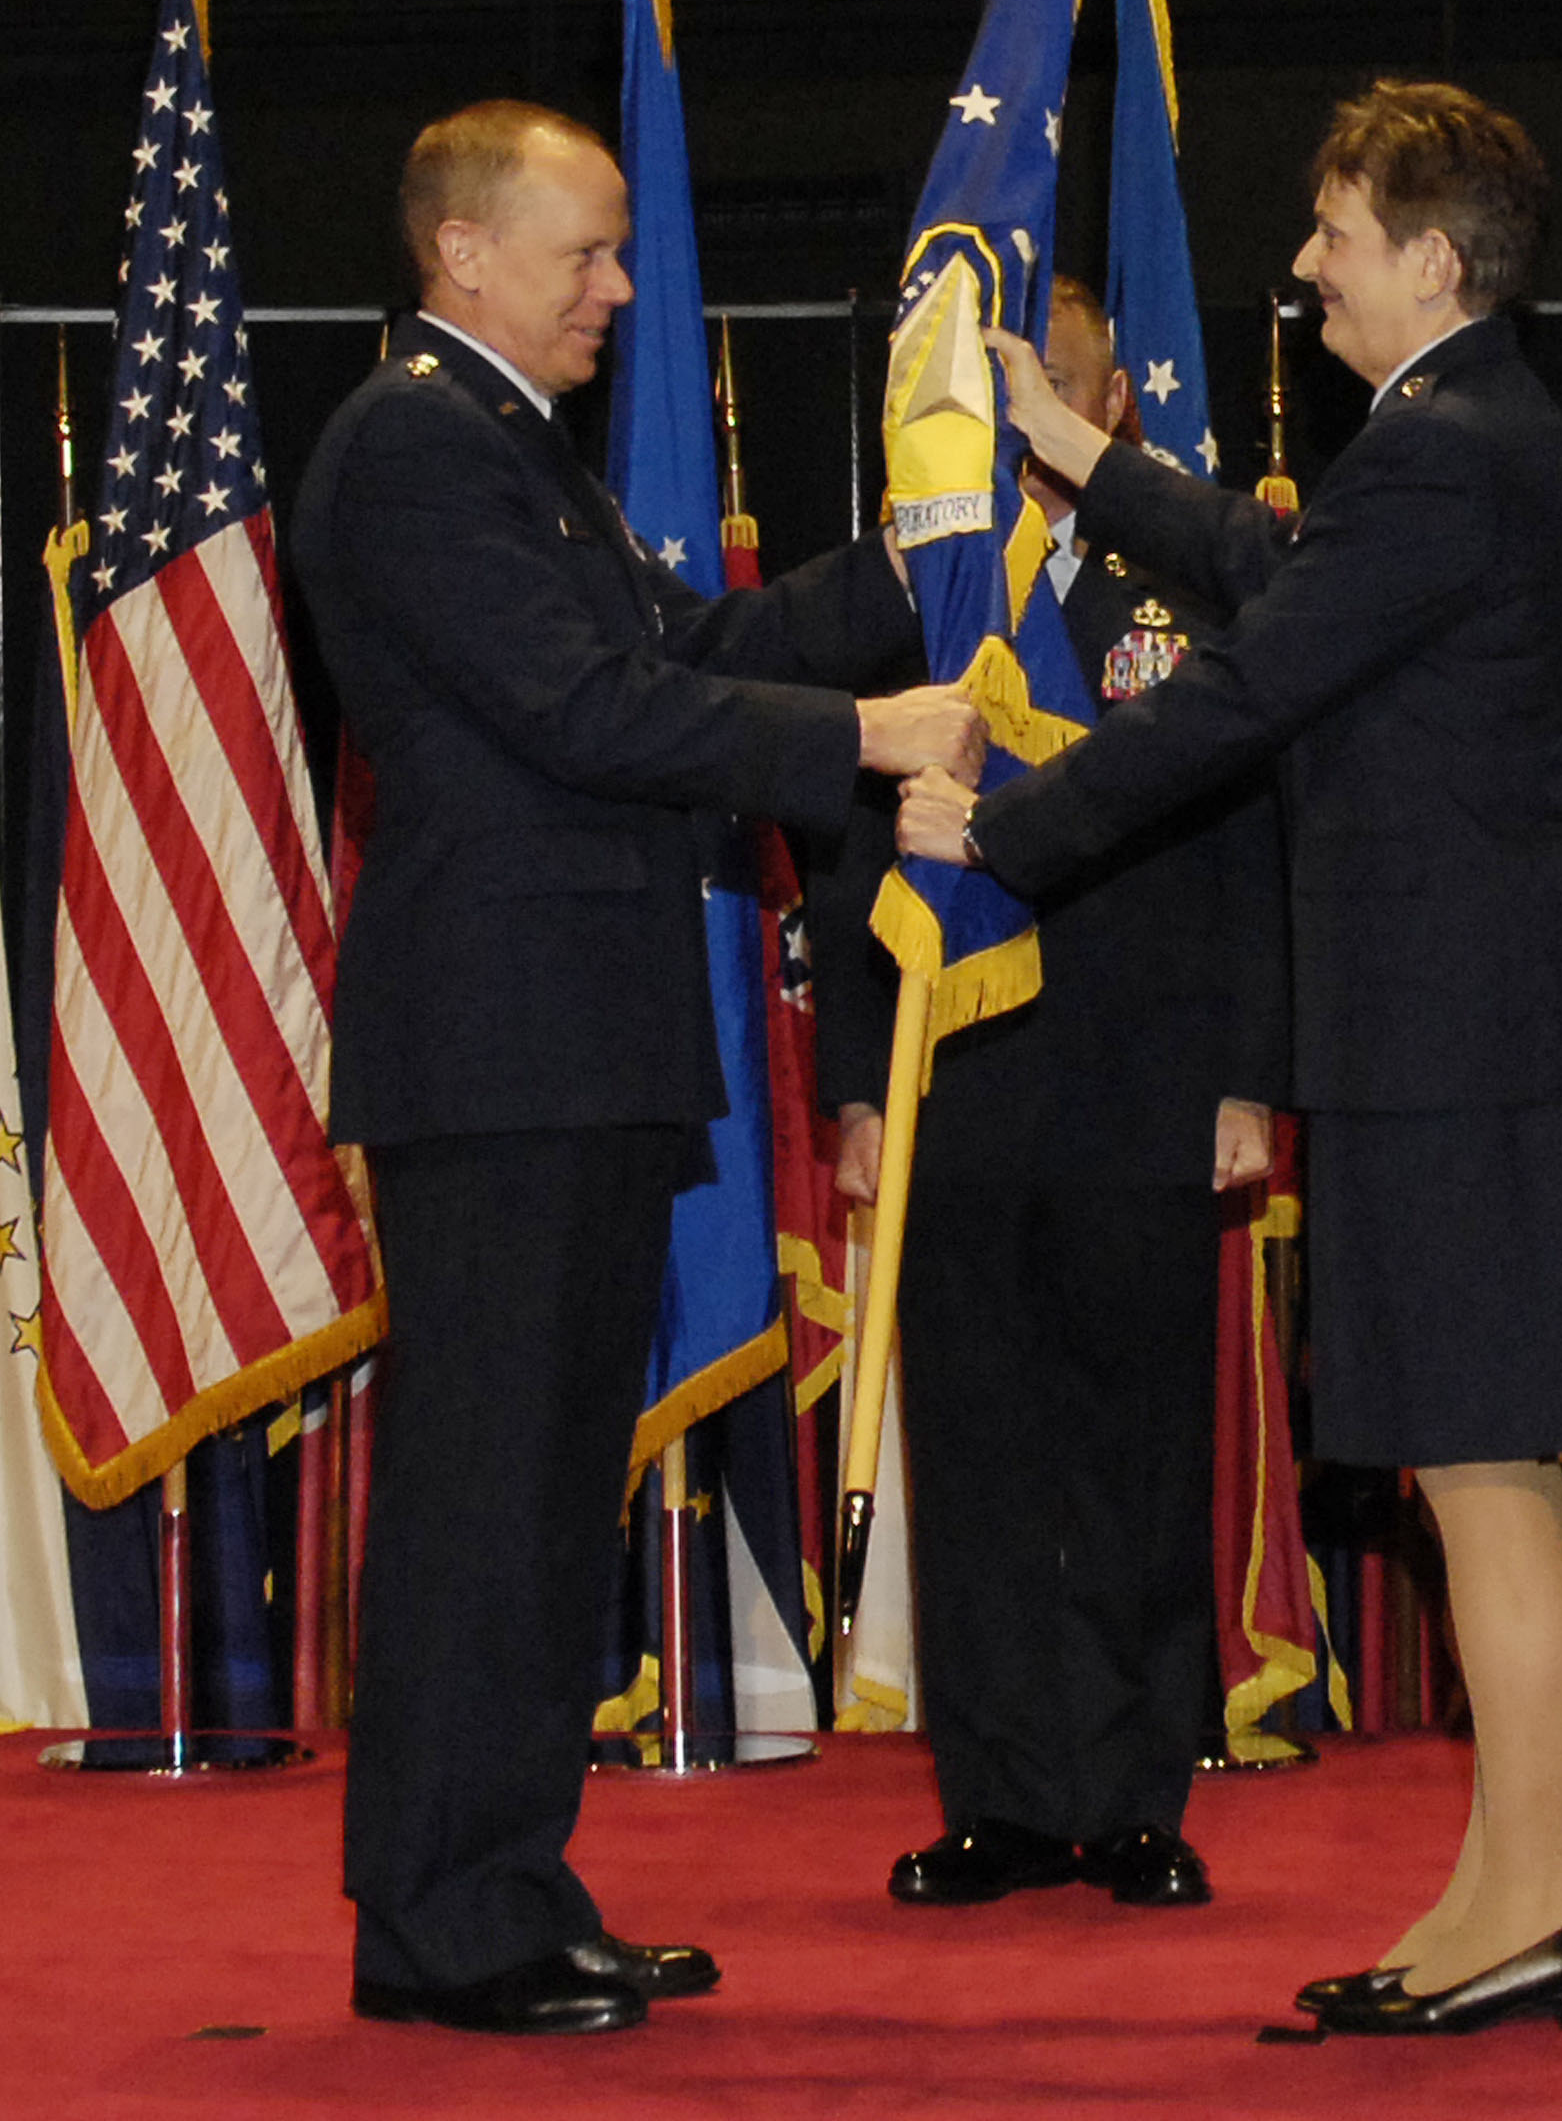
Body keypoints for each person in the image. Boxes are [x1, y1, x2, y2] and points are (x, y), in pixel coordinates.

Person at [900, 81, 1562, 2038]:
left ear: (1429, 253)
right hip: (1449, 1031)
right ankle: (1507, 1897)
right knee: (1475, 1467)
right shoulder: (1453, 436)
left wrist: (1006, 827)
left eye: (1332, 233)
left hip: (1458, 1038)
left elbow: (1247, 686)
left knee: (1489, 1465)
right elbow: (1269, 572)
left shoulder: (1450, 449)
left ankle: (1532, 1906)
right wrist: (1075, 449)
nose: (1305, 268)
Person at [291, 99, 984, 2038]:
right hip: (497, 1052)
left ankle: (505, 1883)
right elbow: (588, 710)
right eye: (588, 252)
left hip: (569, 1046)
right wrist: (861, 732)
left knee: (538, 1496)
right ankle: (439, 1915)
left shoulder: (515, 449)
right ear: (464, 254)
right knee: (482, 1499)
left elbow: (696, 642)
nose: (617, 289)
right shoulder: (417, 448)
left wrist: (928, 553)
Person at [811, 275, 1286, 1915]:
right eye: (999, 406)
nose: (1020, 438)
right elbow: (851, 839)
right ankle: (1004, 1794)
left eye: (1052, 397)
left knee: (1141, 1446)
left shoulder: (1190, 589)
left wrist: (1249, 1076)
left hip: (1148, 1062)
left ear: (1113, 407)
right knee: (981, 1439)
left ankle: (1142, 1788)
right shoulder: (932, 584)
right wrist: (856, 1082)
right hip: (959, 1068)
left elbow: (1249, 838)